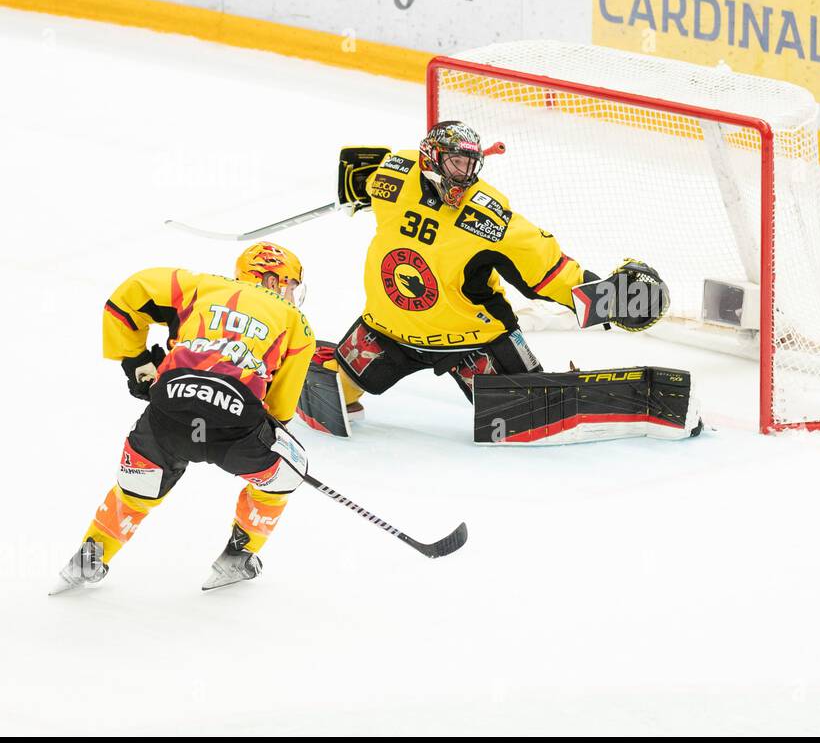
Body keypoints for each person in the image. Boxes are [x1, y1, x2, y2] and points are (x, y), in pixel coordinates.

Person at [320, 122, 669, 432]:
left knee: (529, 414)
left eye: (472, 166)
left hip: (469, 341)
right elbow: (372, 179)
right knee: (335, 390)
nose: (465, 175)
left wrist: (605, 294)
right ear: (431, 159)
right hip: (389, 329)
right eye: (457, 163)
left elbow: (546, 270)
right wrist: (360, 183)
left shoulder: (487, 216)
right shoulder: (394, 175)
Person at [52, 243, 316, 594]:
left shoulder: (196, 286)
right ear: (274, 280)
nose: (292, 293)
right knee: (285, 475)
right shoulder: (297, 323)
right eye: (291, 284)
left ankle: (88, 559)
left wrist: (138, 362)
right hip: (235, 430)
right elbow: (280, 412)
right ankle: (239, 556)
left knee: (137, 490)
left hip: (168, 415)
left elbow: (125, 298)